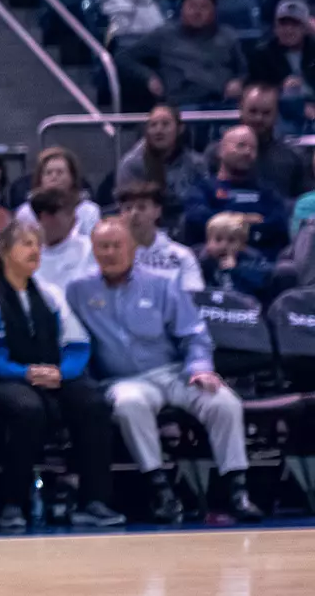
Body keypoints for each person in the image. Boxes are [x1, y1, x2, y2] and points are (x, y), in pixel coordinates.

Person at [69, 219, 262, 523]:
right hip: (123, 379)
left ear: (133, 248)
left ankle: (236, 489)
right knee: (129, 405)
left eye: (116, 245)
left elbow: (194, 334)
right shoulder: (78, 291)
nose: (109, 252)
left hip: (174, 372)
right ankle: (161, 490)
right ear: (93, 251)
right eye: (102, 247)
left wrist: (200, 368)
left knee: (224, 402)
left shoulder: (163, 283)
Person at [0, 220, 122, 532]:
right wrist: (26, 373)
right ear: (3, 252)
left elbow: (78, 344)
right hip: (0, 379)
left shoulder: (51, 294)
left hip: (51, 374)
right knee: (27, 409)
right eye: (26, 243)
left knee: (93, 402)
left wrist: (61, 374)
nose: (35, 250)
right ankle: (11, 503)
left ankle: (94, 501)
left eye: (37, 244)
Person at [185, 124, 290, 254]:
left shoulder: (267, 192)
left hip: (261, 261)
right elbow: (198, 221)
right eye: (241, 146)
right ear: (221, 151)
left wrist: (224, 218)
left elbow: (278, 225)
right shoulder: (203, 189)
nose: (247, 152)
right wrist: (247, 220)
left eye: (252, 148)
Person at [210, 83, 312, 200]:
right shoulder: (218, 152)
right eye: (253, 111)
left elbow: (303, 203)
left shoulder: (292, 158)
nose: (259, 118)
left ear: (276, 114)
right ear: (241, 109)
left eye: (266, 113)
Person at [117, 105, 207, 226]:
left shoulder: (196, 163)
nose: (159, 130)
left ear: (180, 128)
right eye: (153, 125)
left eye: (165, 124)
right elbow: (127, 206)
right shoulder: (132, 164)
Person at [117, 179, 206, 291]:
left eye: (141, 207)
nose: (134, 214)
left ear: (157, 211)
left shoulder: (181, 256)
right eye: (128, 208)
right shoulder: (107, 253)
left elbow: (192, 297)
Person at [13, 146, 103, 234]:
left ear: (72, 177)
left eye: (60, 172)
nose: (54, 177)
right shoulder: (25, 212)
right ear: (40, 178)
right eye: (48, 173)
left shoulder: (89, 211)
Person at [32, 187, 98, 289]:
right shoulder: (28, 256)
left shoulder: (88, 248)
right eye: (68, 214)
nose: (75, 219)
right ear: (45, 217)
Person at [247, 0, 313, 96]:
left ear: (305, 28)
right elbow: (256, 90)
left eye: (295, 24)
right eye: (283, 24)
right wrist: (281, 88)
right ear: (275, 27)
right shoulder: (262, 55)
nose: (288, 30)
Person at [200, 211, 275, 296]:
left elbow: (263, 280)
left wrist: (236, 269)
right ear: (208, 241)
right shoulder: (203, 261)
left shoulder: (251, 258)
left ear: (242, 244)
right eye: (218, 239)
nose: (224, 246)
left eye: (231, 240)